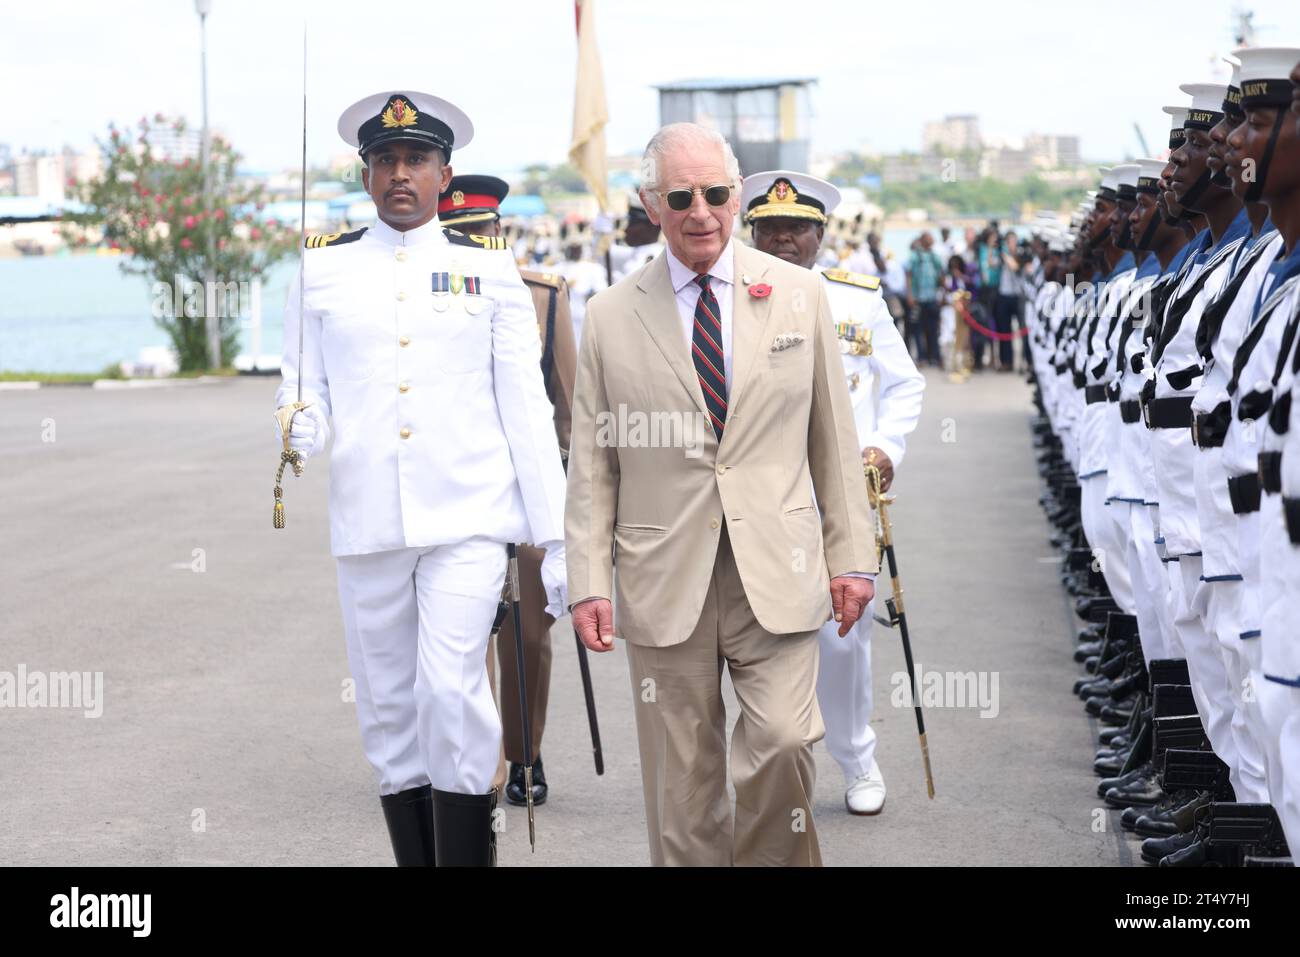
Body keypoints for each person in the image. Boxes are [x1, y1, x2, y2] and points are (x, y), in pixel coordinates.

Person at [564, 123, 878, 866]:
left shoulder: (800, 297)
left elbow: (832, 439)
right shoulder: (610, 315)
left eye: (714, 193)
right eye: (680, 197)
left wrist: (852, 556)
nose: (699, 211)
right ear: (651, 205)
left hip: (778, 565)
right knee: (683, 783)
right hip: (662, 572)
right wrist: (586, 579)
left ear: (736, 196)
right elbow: (593, 463)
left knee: (783, 742)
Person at [275, 91, 568, 867]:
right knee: (388, 714)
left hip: (467, 519)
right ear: (366, 175)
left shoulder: (490, 271)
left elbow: (528, 416)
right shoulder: (319, 271)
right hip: (368, 522)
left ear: (445, 173)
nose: (400, 174)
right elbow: (303, 390)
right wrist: (301, 424)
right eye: (385, 161)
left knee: (450, 690)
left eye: (416, 160)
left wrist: (557, 538)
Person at [742, 169, 925, 816]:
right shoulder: (727, 298)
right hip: (759, 494)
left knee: (843, 636)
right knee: (757, 631)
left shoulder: (856, 299)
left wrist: (885, 447)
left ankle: (857, 758)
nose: (784, 239)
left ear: (820, 234)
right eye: (770, 227)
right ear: (751, 232)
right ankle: (770, 764)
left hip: (836, 493)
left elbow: (904, 384)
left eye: (797, 228)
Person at [437, 173, 580, 809]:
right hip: (453, 491)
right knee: (460, 628)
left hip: (525, 495)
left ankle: (525, 751)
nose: (474, 245)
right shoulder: (424, 297)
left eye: (482, 233)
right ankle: (476, 755)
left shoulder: (543, 297)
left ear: (500, 233)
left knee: (525, 632)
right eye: (459, 235)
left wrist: (575, 498)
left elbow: (569, 405)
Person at [905, 231, 944, 367]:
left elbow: (941, 274)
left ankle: (935, 356)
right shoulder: (915, 256)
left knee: (933, 329)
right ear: (922, 240)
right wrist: (910, 294)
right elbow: (908, 274)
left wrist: (942, 293)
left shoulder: (935, 257)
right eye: (929, 238)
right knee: (918, 329)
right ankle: (921, 357)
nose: (931, 240)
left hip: (932, 298)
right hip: (918, 298)